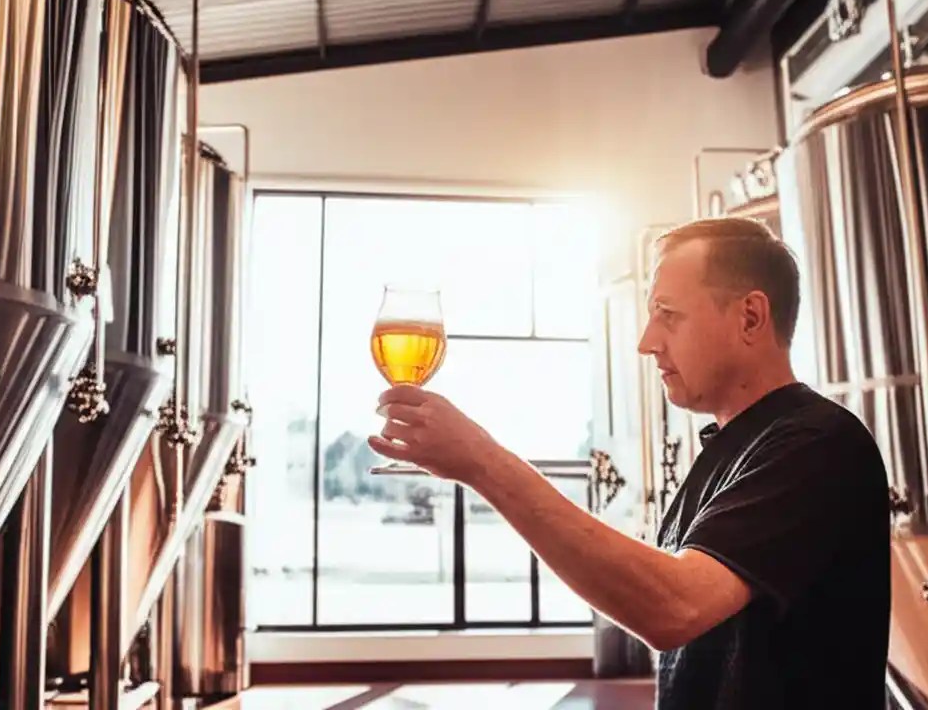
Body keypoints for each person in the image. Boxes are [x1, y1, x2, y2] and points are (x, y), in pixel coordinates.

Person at [369, 217, 891, 709]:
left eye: (668, 315)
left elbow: (672, 607)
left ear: (750, 317)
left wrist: (481, 462)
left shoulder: (817, 444)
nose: (646, 343)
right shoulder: (733, 450)